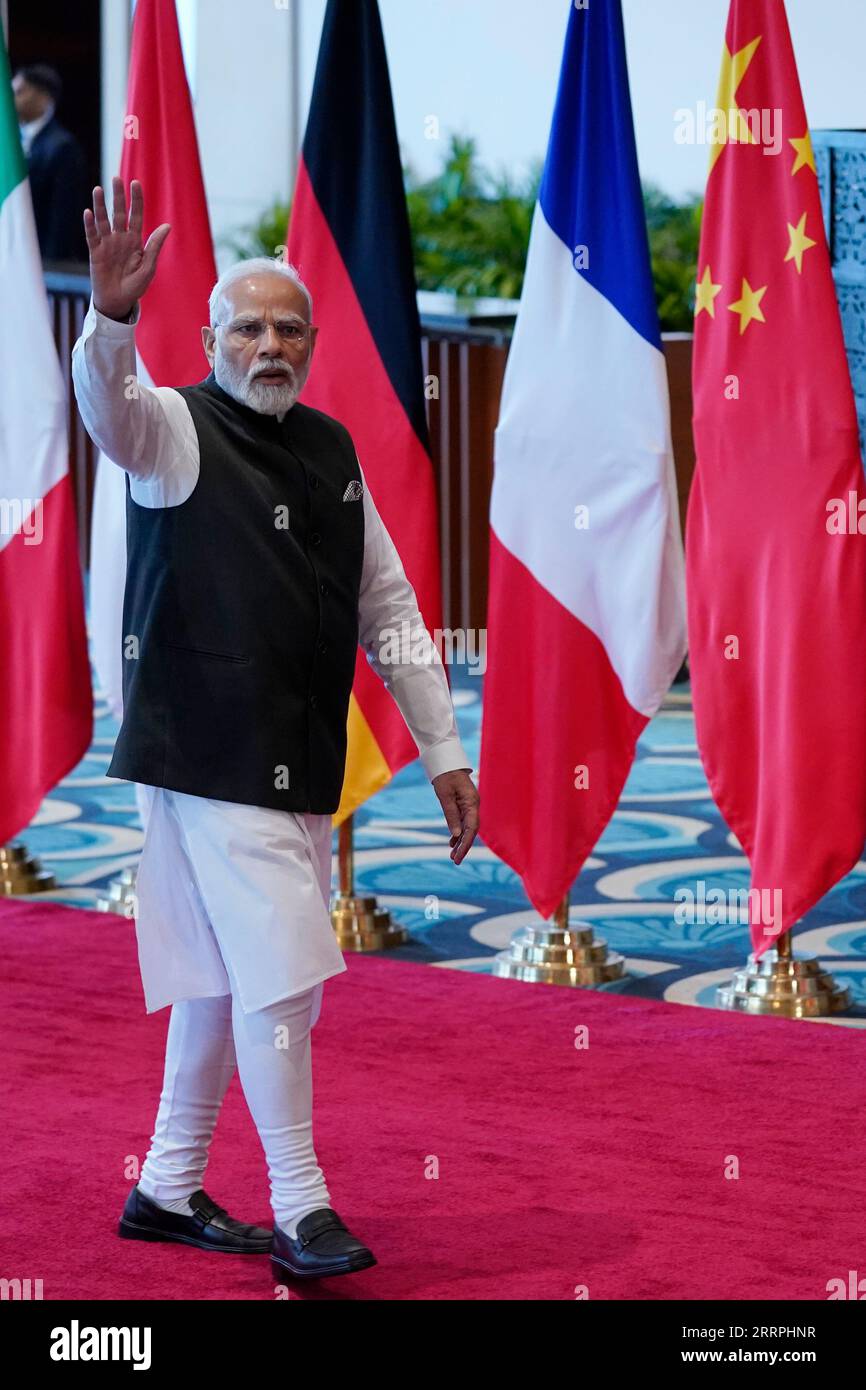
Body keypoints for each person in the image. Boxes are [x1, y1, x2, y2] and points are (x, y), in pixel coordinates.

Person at [71, 177, 480, 1283]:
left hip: (295, 759)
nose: (268, 344)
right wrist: (111, 322)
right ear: (207, 338)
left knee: (217, 972)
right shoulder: (168, 431)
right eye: (245, 327)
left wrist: (442, 749)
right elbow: (108, 407)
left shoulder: (334, 448)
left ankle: (165, 1181)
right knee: (284, 971)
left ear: (310, 343)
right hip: (207, 758)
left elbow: (386, 606)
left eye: (287, 328)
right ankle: (301, 1208)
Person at [12, 64, 88, 261]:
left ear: (44, 98)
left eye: (20, 92)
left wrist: (50, 266)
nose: (11, 98)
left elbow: (62, 219)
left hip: (42, 263)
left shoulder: (62, 147)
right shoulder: (11, 142)